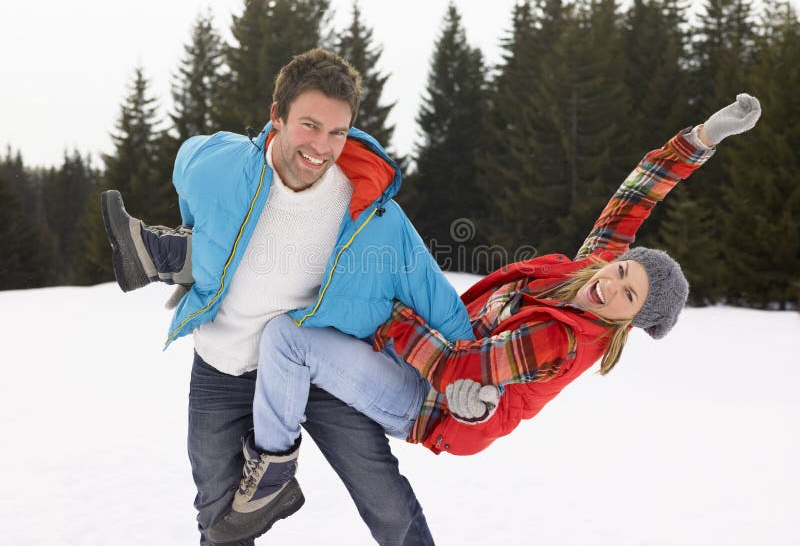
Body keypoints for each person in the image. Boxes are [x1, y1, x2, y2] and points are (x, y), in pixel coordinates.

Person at [198, 93, 761, 542]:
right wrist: (704, 138)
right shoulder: (590, 275)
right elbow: (633, 198)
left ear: (630, 323)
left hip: (429, 400)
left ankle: (270, 474)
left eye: (628, 296)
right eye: (620, 272)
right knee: (365, 277)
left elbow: (457, 367)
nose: (610, 286)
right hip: (429, 358)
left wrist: (388, 319)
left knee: (288, 337)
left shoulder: (562, 337)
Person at [101, 48, 475, 546]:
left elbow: (434, 295)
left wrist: (474, 372)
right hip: (223, 368)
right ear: (276, 116)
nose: (322, 146)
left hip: (315, 367)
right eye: (309, 126)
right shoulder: (223, 166)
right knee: (221, 519)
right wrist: (198, 252)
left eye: (337, 132)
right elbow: (189, 173)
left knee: (383, 496)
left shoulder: (368, 210)